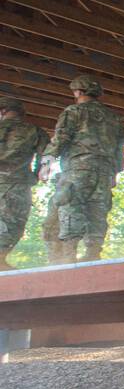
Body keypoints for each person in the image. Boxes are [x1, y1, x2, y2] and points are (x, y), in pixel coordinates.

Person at [39, 76, 124, 263]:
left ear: (77, 92)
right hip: (105, 170)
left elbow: (61, 138)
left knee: (70, 204)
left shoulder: (74, 111)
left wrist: (45, 164)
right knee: (98, 210)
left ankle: (70, 254)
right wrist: (115, 172)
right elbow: (120, 147)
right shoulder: (114, 117)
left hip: (78, 168)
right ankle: (93, 253)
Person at [0, 96, 49, 270]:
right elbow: (46, 156)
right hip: (16, 184)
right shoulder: (34, 131)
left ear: (3, 111)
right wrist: (35, 176)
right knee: (13, 221)